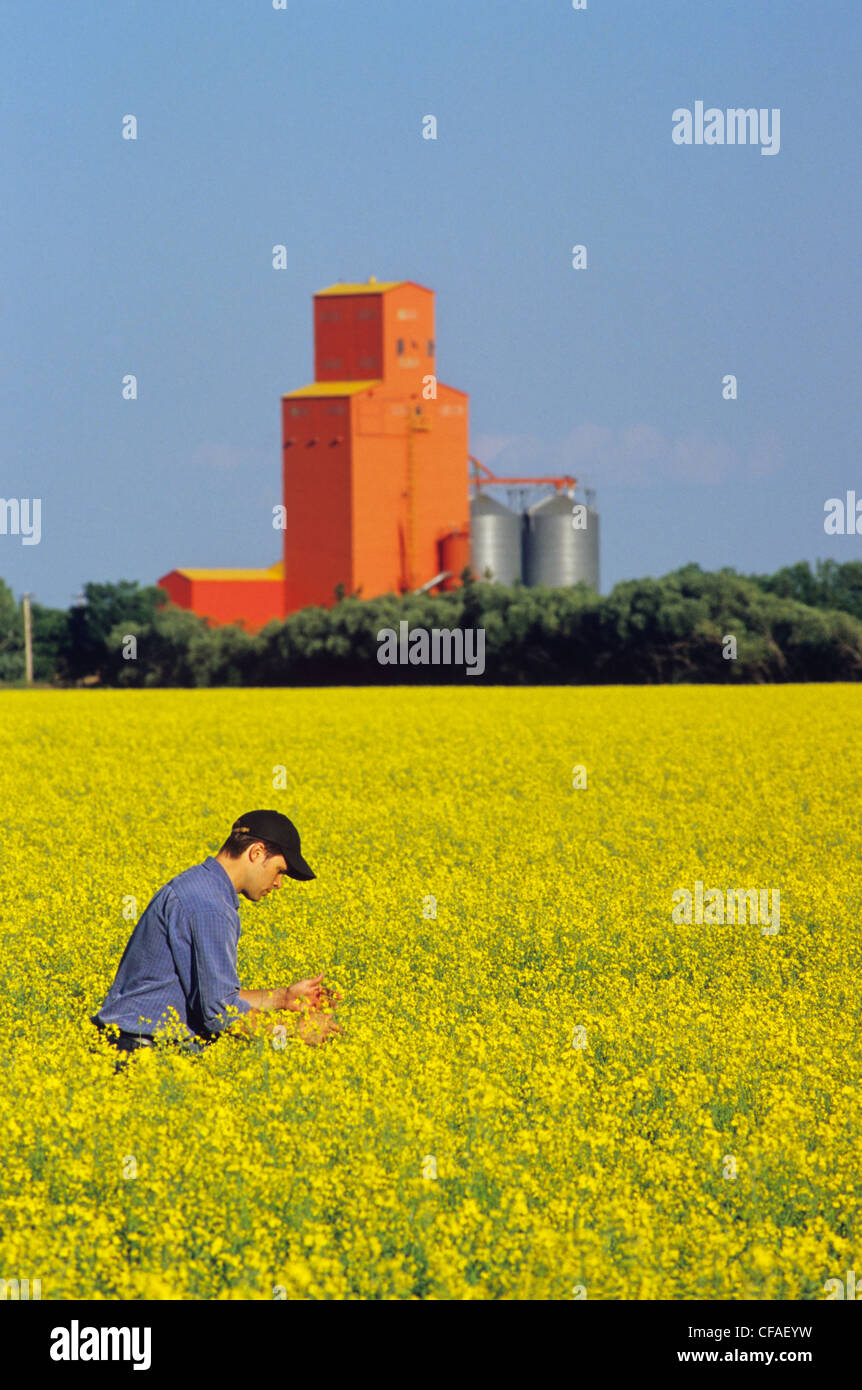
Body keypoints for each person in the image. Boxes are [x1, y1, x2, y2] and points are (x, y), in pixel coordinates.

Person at [90, 810, 342, 1066]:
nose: (278, 884)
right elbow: (221, 1013)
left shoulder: (198, 885)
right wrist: (297, 1032)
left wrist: (283, 998)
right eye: (279, 871)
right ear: (256, 852)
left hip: (129, 1046)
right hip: (141, 1055)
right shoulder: (210, 906)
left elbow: (213, 998)